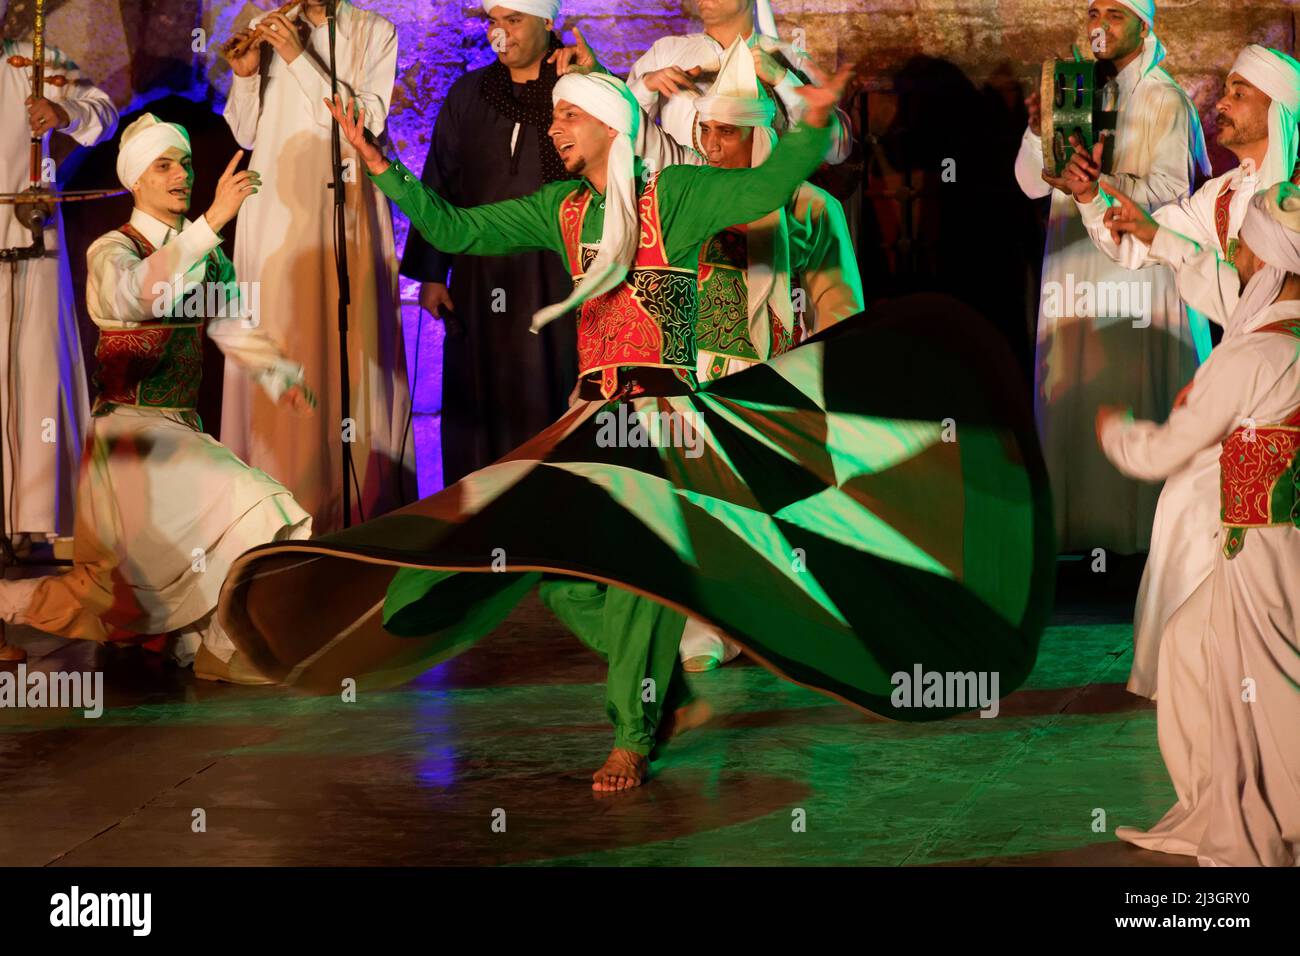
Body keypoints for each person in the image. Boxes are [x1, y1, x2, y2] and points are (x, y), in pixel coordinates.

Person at [215, 71, 1053, 800]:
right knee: (554, 564)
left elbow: (764, 193)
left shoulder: (676, 197)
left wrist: (807, 125)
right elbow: (460, 231)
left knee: (647, 573)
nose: (552, 130)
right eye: (550, 119)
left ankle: (631, 730)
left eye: (564, 118)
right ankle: (658, 693)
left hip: (666, 416)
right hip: (589, 416)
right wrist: (387, 168)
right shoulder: (564, 209)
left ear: (609, 123)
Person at [0, 114, 315, 683]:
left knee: (123, 593)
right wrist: (214, 220)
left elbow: (229, 325)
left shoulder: (205, 254)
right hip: (129, 439)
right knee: (257, 504)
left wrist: (280, 376)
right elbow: (134, 299)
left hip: (179, 431)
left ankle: (202, 638)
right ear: (136, 180)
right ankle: (220, 649)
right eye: (164, 165)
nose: (180, 175)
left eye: (185, 164)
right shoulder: (112, 250)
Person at [1070, 45, 1300, 698]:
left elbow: (1260, 294)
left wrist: (1163, 239)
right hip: (1248, 375)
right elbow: (1140, 241)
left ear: (1277, 108)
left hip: (1282, 372)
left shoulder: (1294, 199)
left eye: (1237, 91)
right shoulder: (1222, 198)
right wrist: (1094, 198)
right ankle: (1196, 678)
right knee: (1186, 505)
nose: (1219, 102)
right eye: (1222, 88)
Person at [1098, 183, 1300, 866]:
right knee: (1188, 645)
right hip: (1281, 543)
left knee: (1264, 683)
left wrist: (1116, 433)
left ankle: (1260, 819)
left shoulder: (1248, 356)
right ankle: (1220, 797)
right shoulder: (1279, 344)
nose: (1236, 256)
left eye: (1244, 244)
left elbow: (1164, 450)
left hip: (1258, 550)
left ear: (1271, 262)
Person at [683, 35, 864, 670]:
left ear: (759, 138)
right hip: (701, 378)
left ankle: (788, 620)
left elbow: (838, 304)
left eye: (724, 135)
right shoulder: (687, 204)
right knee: (707, 509)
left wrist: (820, 382)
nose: (710, 147)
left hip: (780, 378)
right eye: (704, 132)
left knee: (783, 511)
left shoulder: (812, 207)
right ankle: (710, 622)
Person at [1015, 0, 1208, 554]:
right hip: (1076, 271)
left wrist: (1097, 186)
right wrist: (1036, 133)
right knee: (1075, 392)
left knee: (1132, 387)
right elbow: (1030, 184)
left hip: (1140, 279)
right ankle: (1078, 541)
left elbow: (1172, 198)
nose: (1099, 24)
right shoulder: (1072, 89)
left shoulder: (1164, 99)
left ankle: (1144, 544)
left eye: (1115, 14)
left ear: (1144, 26)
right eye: (1093, 11)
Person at [219, 0, 411, 531]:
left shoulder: (375, 31)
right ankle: (271, 514)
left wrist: (298, 56)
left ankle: (351, 513)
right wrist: (246, 76)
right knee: (278, 339)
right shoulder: (270, 28)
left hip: (345, 209)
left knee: (346, 347)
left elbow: (365, 119)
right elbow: (245, 133)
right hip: (275, 212)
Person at [400, 1, 579, 484]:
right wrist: (433, 274)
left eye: (513, 21)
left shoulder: (579, 90)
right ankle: (482, 519)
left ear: (547, 22)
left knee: (553, 384)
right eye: (492, 22)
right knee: (485, 397)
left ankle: (555, 511)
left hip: (558, 274)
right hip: (482, 275)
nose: (499, 34)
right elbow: (441, 182)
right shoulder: (469, 93)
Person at [0, 12, 117, 554]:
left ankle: (33, 516)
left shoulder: (32, 59)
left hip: (29, 231)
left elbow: (103, 113)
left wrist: (61, 110)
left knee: (36, 365)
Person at [625, 0, 851, 164]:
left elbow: (836, 150)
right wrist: (646, 88)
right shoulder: (665, 53)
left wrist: (782, 79)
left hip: (765, 212)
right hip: (687, 208)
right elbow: (618, 134)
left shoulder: (789, 57)